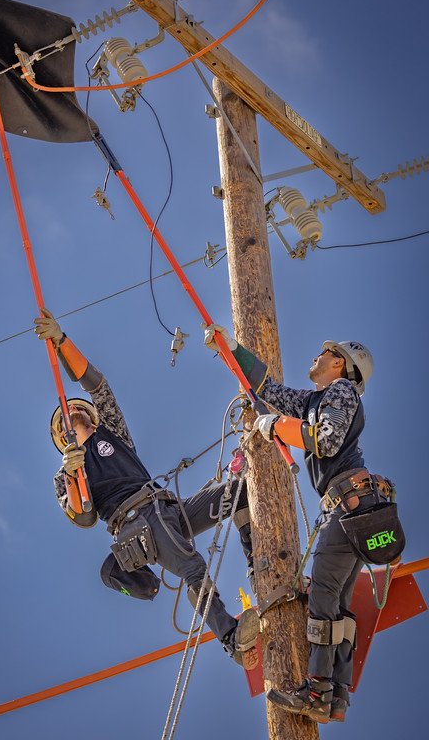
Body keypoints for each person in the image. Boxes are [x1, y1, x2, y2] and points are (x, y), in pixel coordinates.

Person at [34, 308, 260, 669]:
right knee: (193, 568)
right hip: (139, 522)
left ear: (90, 416)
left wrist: (62, 342)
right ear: (62, 436)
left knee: (241, 491)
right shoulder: (66, 476)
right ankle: (232, 638)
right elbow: (84, 517)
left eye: (76, 409)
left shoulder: (113, 433)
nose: (72, 414)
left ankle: (259, 570)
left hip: (168, 508)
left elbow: (98, 386)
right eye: (66, 417)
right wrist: (75, 474)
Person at [204, 324, 385, 723]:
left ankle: (318, 690)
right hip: (356, 506)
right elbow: (269, 390)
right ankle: (335, 695)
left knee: (323, 595)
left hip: (347, 503)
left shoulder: (341, 392)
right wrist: (229, 345)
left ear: (340, 362)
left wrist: (277, 427)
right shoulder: (318, 398)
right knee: (336, 602)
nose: (317, 356)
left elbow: (328, 439)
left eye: (325, 352)